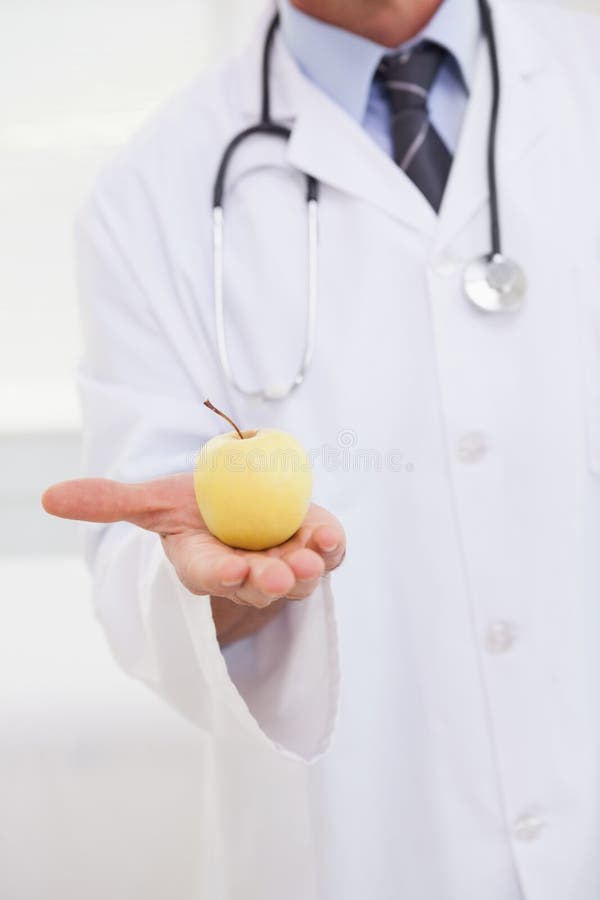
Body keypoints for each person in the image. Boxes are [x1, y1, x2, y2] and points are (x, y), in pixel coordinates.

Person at [42, 0, 600, 897]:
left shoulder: (581, 69)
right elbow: (143, 578)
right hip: (368, 851)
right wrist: (224, 595)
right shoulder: (149, 193)